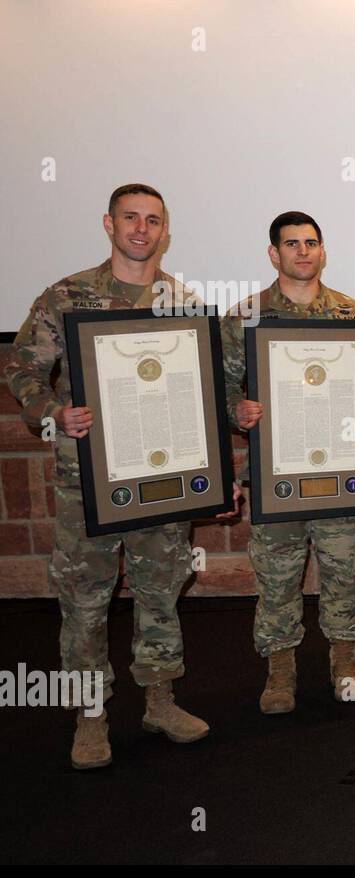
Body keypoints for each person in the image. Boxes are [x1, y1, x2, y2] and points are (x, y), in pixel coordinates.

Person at [5, 183, 236, 769]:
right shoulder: (67, 297)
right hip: (89, 482)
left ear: (165, 230)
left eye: (152, 220)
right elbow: (24, 372)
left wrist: (216, 473)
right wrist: (53, 415)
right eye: (130, 218)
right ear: (108, 224)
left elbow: (204, 397)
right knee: (85, 599)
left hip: (162, 479)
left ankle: (159, 701)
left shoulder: (183, 303)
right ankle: (90, 716)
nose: (141, 229)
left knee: (160, 592)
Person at [221, 211, 355, 714]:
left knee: (343, 567)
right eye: (291, 244)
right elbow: (219, 392)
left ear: (322, 251)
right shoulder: (245, 318)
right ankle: (280, 670)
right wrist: (237, 411)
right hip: (279, 476)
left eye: (310, 243)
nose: (302, 251)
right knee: (277, 575)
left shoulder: (353, 316)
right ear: (274, 254)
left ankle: (344, 659)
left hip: (341, 471)